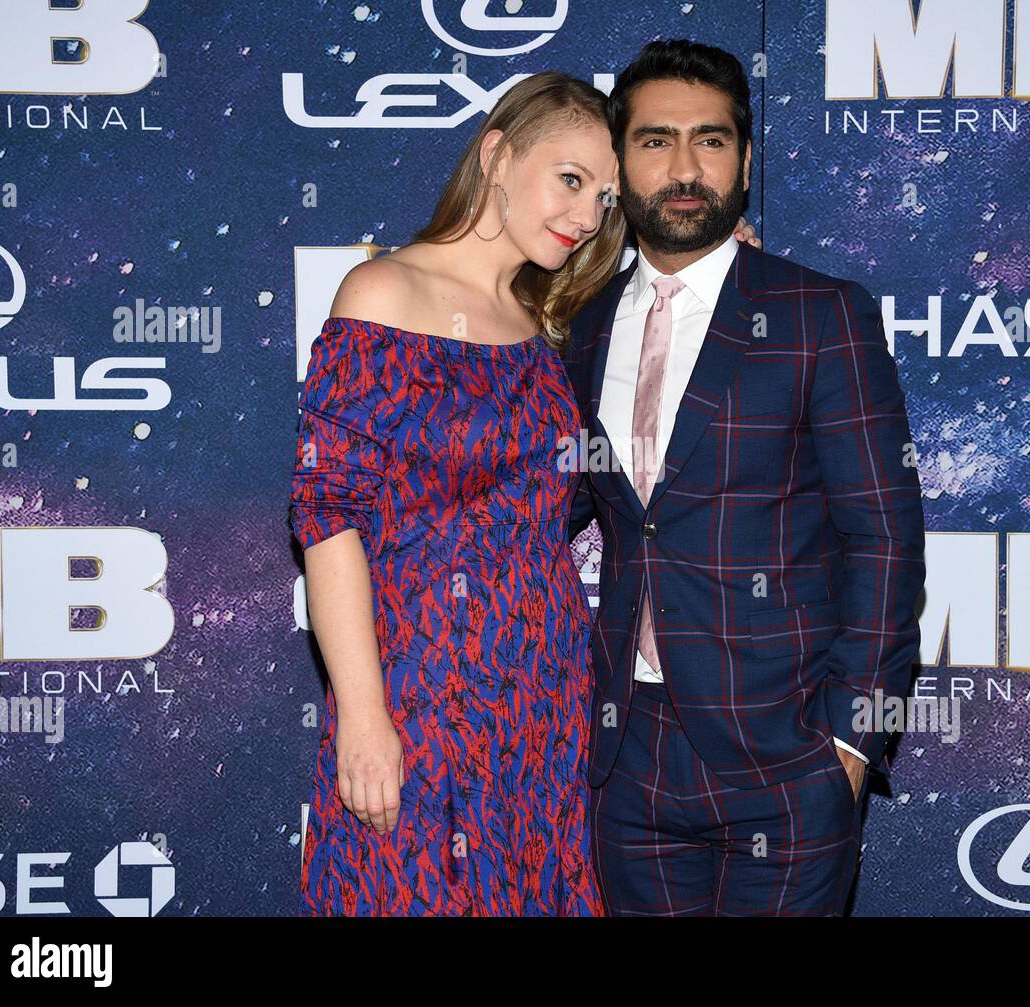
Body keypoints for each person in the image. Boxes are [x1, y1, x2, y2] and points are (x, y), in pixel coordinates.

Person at [288, 70, 759, 916]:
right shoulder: (382, 294)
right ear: (498, 155)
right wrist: (362, 713)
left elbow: (580, 492)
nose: (585, 218)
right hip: (419, 683)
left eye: (604, 198)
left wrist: (722, 277)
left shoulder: (544, 326)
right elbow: (327, 520)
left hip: (546, 692)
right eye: (570, 180)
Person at [564, 41, 927, 916]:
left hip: (789, 748)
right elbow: (555, 505)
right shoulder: (580, 324)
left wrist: (848, 742)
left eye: (711, 140)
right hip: (628, 755)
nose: (685, 168)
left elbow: (883, 537)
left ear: (746, 158)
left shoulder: (821, 312)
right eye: (655, 141)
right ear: (619, 162)